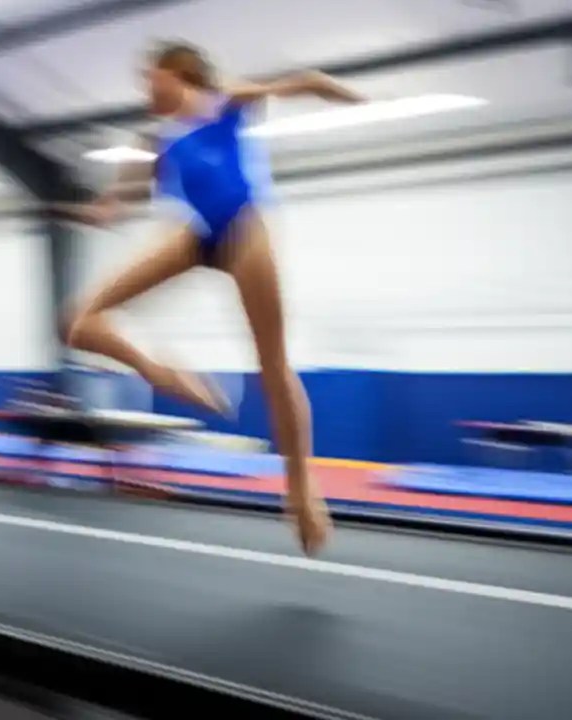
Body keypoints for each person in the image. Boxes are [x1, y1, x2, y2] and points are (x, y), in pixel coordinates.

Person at [64, 41, 364, 555]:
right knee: (80, 323)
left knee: (273, 364)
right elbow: (122, 197)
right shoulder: (155, 138)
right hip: (196, 235)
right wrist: (101, 212)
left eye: (149, 78)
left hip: (245, 228)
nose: (143, 91)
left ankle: (301, 490)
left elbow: (292, 83)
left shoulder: (223, 99)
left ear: (177, 73)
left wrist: (330, 89)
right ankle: (163, 373)